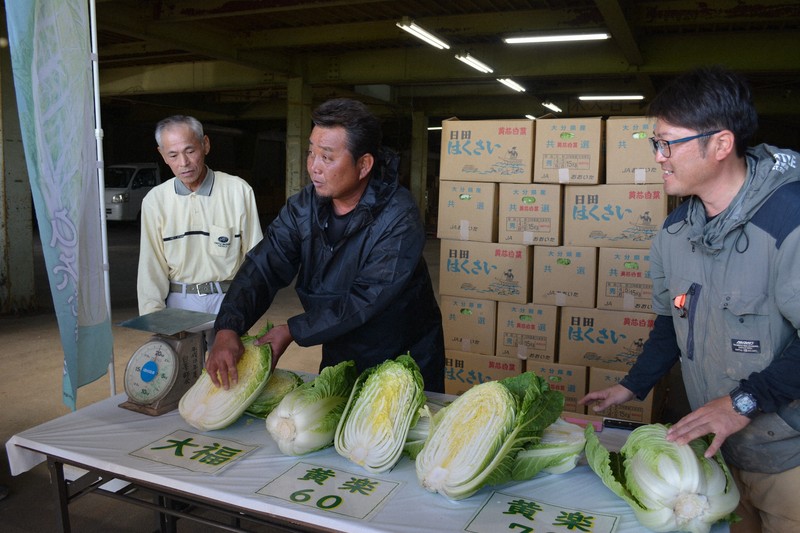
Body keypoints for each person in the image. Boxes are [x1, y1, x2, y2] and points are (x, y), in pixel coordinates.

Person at [579, 66, 800, 532]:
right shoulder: (675, 234)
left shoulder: (789, 223)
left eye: (668, 143)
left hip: (789, 458)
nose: (658, 157)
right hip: (717, 454)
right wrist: (633, 385)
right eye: (653, 142)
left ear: (720, 145)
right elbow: (672, 319)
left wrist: (743, 402)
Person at [207, 98, 445, 393]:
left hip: (404, 355)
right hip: (340, 346)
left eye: (327, 158)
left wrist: (293, 329)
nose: (313, 168)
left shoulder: (399, 216)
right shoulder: (303, 207)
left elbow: (366, 298)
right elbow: (264, 266)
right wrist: (229, 325)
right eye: (311, 153)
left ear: (364, 165)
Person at [137, 115, 263, 346]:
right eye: (173, 155)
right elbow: (150, 264)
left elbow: (256, 259)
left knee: (227, 377)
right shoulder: (155, 201)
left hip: (227, 302)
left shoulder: (238, 191)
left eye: (190, 151)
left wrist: (246, 309)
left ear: (205, 144)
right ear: (162, 155)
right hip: (179, 304)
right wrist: (155, 317)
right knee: (184, 376)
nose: (183, 162)